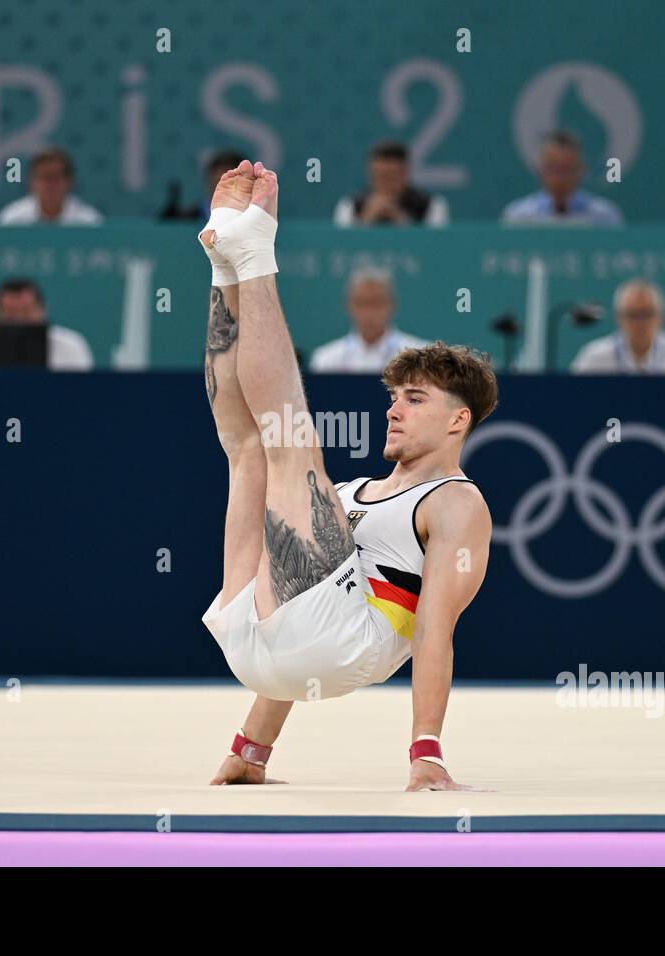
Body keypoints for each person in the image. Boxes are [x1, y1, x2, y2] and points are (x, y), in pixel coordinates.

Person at [197, 160, 497, 791]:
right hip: (251, 645)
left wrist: (427, 752)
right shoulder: (352, 495)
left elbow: (436, 628)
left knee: (288, 444)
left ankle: (250, 257)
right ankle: (226, 266)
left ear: (458, 421)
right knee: (247, 447)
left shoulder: (454, 503)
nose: (394, 408)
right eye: (394, 396)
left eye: (416, 399)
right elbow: (292, 611)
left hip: (346, 644)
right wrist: (251, 748)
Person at [308, 266, 429, 372]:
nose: (369, 312)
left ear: (392, 304)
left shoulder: (420, 358)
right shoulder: (326, 360)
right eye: (362, 302)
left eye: (376, 302)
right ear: (349, 305)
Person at [570, 279, 665, 374]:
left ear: (661, 317)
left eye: (647, 314)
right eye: (632, 315)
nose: (640, 323)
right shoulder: (594, 358)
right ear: (618, 317)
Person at [501, 130, 623, 226]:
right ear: (539, 169)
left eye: (566, 169)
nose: (559, 178)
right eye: (553, 168)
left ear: (581, 170)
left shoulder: (605, 217)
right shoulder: (518, 217)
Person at [332, 141, 449, 227]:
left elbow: (436, 246)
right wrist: (367, 220)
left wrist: (400, 220)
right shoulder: (350, 205)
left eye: (392, 176)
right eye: (379, 176)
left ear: (406, 174)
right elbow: (342, 247)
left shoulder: (431, 205)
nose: (385, 182)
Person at [0, 277, 94, 371]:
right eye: (11, 313)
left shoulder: (71, 346)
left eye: (26, 312)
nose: (19, 320)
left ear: (43, 310)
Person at [0, 147, 103, 225]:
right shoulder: (12, 221)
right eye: (44, 177)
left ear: (69, 182)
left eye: (55, 177)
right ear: (31, 182)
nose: (50, 184)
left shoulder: (89, 222)